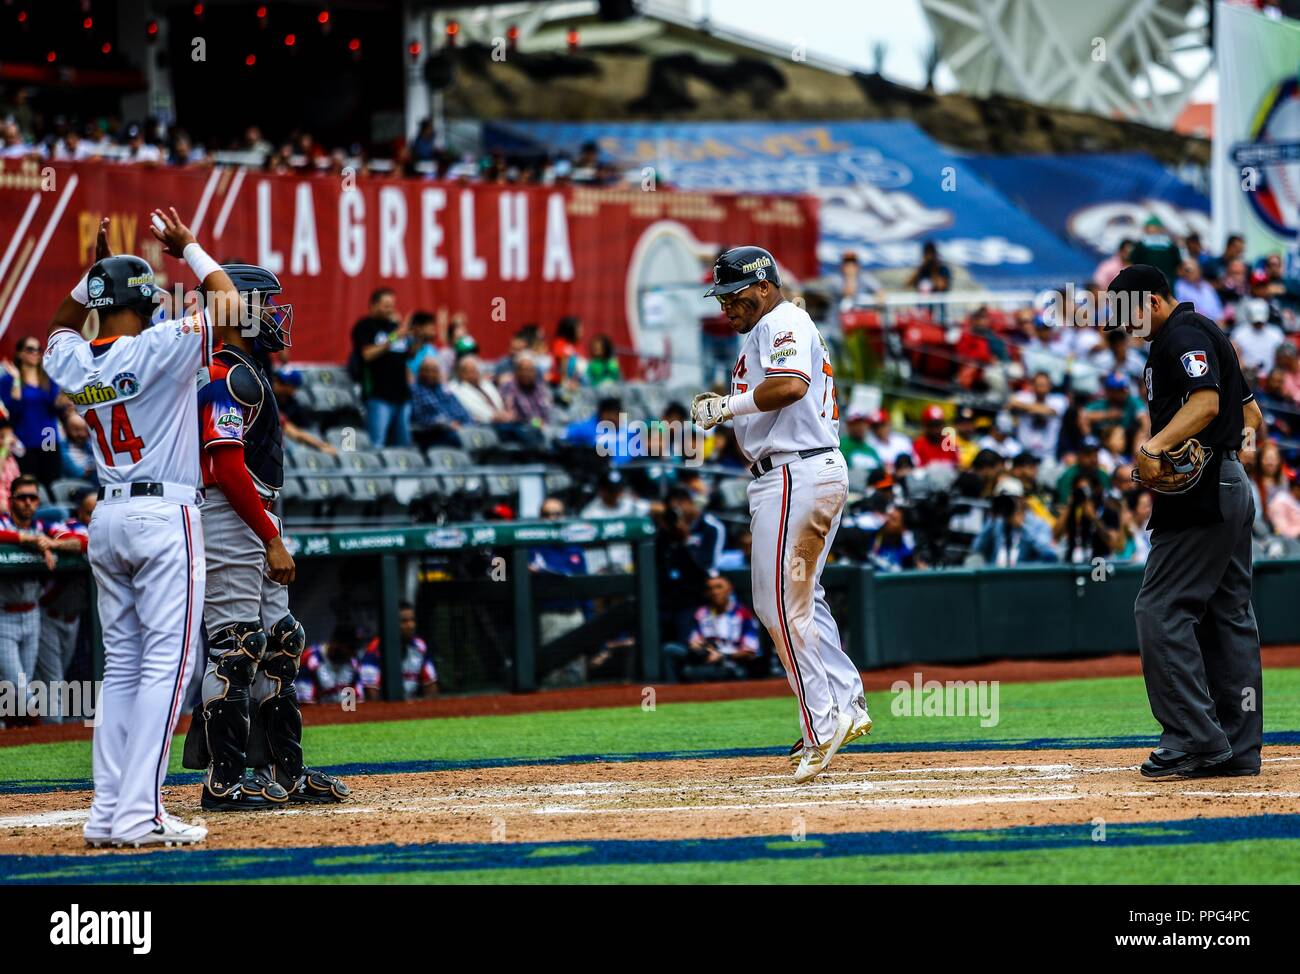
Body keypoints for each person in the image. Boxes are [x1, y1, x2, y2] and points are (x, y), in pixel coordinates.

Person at [43, 211, 237, 848]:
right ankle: (140, 813)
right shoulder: (160, 343)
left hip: (109, 515)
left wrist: (90, 280)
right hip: (164, 514)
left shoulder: (76, 359)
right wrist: (189, 248)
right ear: (145, 302)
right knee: (169, 667)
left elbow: (60, 329)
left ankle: (108, 811)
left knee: (123, 668)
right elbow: (233, 307)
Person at [691, 245, 870, 783]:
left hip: (796, 473)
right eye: (721, 296)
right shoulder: (769, 326)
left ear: (763, 285)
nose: (726, 305)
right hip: (802, 471)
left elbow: (791, 387)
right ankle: (846, 703)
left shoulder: (783, 317)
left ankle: (822, 724)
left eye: (733, 293)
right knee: (803, 600)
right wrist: (733, 409)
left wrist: (728, 406)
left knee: (776, 606)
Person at [181, 263, 349, 811]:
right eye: (266, 303)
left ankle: (287, 772)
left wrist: (271, 531)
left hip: (257, 514)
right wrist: (270, 537)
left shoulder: (246, 369)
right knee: (235, 647)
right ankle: (223, 782)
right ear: (239, 308)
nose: (275, 315)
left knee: (280, 643)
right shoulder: (226, 373)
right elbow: (227, 467)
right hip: (232, 516)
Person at [1107, 263, 1265, 779]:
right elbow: (1251, 417)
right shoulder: (1205, 333)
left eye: (1128, 314)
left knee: (1160, 610)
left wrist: (1157, 445)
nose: (1125, 327)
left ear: (1152, 300)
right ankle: (1237, 749)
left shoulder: (1182, 334)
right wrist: (1220, 453)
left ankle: (1193, 739)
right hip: (1229, 484)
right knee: (1228, 615)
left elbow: (1206, 402)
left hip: (1206, 495)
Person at [0, 475, 61, 716]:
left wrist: (52, 544)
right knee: (20, 688)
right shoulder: (4, 523)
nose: (27, 502)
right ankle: (34, 730)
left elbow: (75, 537)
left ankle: (14, 731)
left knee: (22, 684)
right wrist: (27, 540)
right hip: (4, 617)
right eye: (22, 497)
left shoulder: (43, 527)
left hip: (32, 615)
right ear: (11, 500)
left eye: (32, 497)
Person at [33, 486, 94, 722]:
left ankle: (53, 725)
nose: (92, 518)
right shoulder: (65, 525)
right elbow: (63, 538)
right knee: (53, 681)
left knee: (67, 676)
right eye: (89, 513)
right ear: (80, 512)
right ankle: (49, 731)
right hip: (49, 613)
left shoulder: (98, 529)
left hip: (75, 619)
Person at [0, 334, 83, 487]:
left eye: (39, 349)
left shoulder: (47, 378)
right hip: (24, 438)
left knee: (51, 480)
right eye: (30, 349)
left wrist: (66, 391)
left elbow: (55, 407)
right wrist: (17, 379)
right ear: (19, 353)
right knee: (28, 482)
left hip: (48, 435)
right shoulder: (8, 380)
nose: (35, 353)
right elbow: (13, 409)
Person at [662, 574, 761, 682]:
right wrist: (697, 647)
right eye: (710, 589)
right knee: (670, 649)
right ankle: (671, 691)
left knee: (689, 671)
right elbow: (694, 640)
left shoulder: (743, 614)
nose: (715, 592)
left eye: (719, 587)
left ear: (729, 589)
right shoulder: (702, 613)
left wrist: (722, 655)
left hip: (728, 662)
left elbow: (750, 651)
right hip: (705, 656)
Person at [350, 288, 412, 447]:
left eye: (392, 305)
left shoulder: (395, 327)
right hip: (378, 396)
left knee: (403, 445)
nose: (390, 309)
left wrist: (415, 336)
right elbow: (367, 354)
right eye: (386, 305)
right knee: (377, 443)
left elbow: (406, 356)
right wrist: (393, 338)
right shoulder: (364, 326)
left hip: (402, 397)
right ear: (373, 305)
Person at [360, 602, 438, 701]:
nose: (410, 625)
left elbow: (431, 686)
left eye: (412, 620)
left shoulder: (420, 646)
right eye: (404, 621)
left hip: (408, 707)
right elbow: (371, 694)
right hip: (383, 708)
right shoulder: (375, 649)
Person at [410, 356, 472, 449]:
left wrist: (466, 424)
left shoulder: (443, 389)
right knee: (463, 439)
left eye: (434, 370)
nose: (430, 374)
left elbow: (460, 409)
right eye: (426, 370)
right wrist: (447, 424)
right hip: (433, 434)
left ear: (439, 373)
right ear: (419, 372)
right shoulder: (415, 390)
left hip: (457, 429)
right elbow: (420, 418)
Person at [296, 625, 365, 705]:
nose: (353, 653)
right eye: (350, 648)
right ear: (335, 642)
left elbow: (359, 700)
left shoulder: (353, 663)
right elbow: (305, 702)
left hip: (347, 714)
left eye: (355, 649)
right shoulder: (310, 658)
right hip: (318, 715)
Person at [840, 408, 883, 472]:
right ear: (848, 425)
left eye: (864, 423)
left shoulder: (871, 450)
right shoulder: (840, 446)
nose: (860, 427)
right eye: (856, 423)